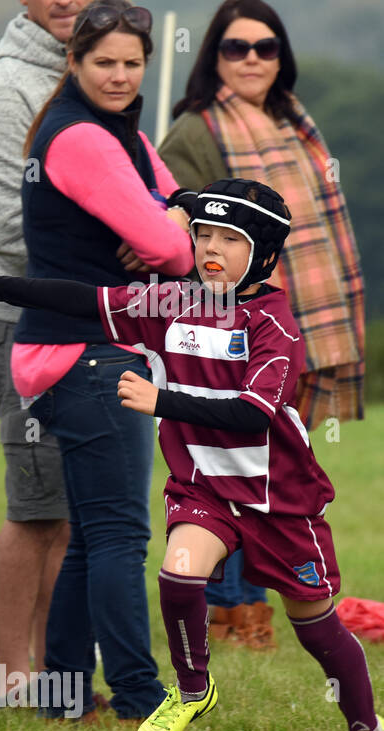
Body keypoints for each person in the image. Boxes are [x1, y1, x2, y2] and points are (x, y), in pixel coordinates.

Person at [0, 178, 384, 731]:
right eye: (203, 234)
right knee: (179, 574)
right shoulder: (172, 302)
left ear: (263, 254)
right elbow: (83, 299)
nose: (212, 248)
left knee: (317, 628)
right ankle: (192, 688)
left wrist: (160, 400)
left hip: (278, 501)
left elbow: (253, 412)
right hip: (203, 489)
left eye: (230, 239)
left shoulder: (275, 326)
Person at [5, 1, 195, 721]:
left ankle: (63, 693)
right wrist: (165, 226)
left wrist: (167, 216)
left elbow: (183, 210)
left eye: (132, 63)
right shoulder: (82, 138)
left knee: (91, 535)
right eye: (104, 62)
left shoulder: (118, 134)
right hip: (88, 353)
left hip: (67, 350)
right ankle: (144, 698)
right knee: (121, 535)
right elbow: (178, 252)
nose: (120, 75)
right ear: (74, 64)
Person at [157, 0, 367, 651]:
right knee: (226, 469)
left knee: (272, 465)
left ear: (283, 57)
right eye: (236, 47)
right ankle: (232, 613)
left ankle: (257, 604)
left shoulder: (292, 125)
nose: (252, 59)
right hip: (227, 328)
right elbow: (177, 231)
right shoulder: (195, 130)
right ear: (212, 55)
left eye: (266, 47)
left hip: (292, 318)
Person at [0, 0, 91, 707]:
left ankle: (57, 670)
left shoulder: (104, 78)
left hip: (100, 322)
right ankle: (14, 679)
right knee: (37, 507)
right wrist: (113, 254)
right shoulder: (3, 92)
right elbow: (12, 230)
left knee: (75, 510)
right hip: (29, 322)